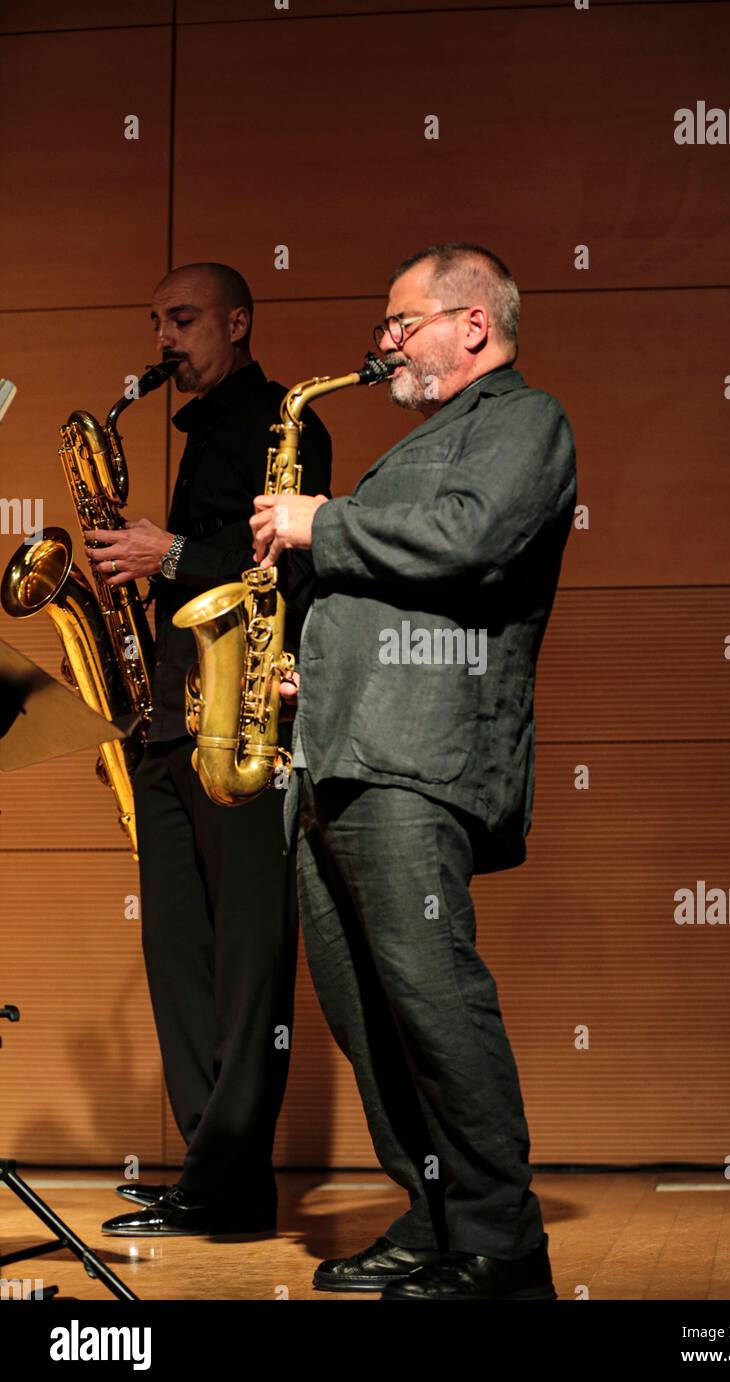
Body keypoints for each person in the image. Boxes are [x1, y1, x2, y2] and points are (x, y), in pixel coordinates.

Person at [251, 243, 575, 1298]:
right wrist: (310, 672)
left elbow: (467, 541)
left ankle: (501, 1242)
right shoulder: (425, 441)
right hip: (339, 754)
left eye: (400, 323)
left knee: (432, 1000)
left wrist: (318, 522)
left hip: (417, 757)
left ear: (470, 323)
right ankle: (433, 1214)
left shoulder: (525, 423)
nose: (382, 344)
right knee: (365, 1012)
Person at [86, 262, 331, 1236]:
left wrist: (171, 554)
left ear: (238, 320)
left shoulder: (286, 425)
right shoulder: (196, 434)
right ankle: (206, 1170)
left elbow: (292, 563)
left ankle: (232, 1180)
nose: (163, 338)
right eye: (154, 321)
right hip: (167, 716)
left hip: (239, 720)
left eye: (181, 319)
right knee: (177, 949)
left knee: (245, 959)